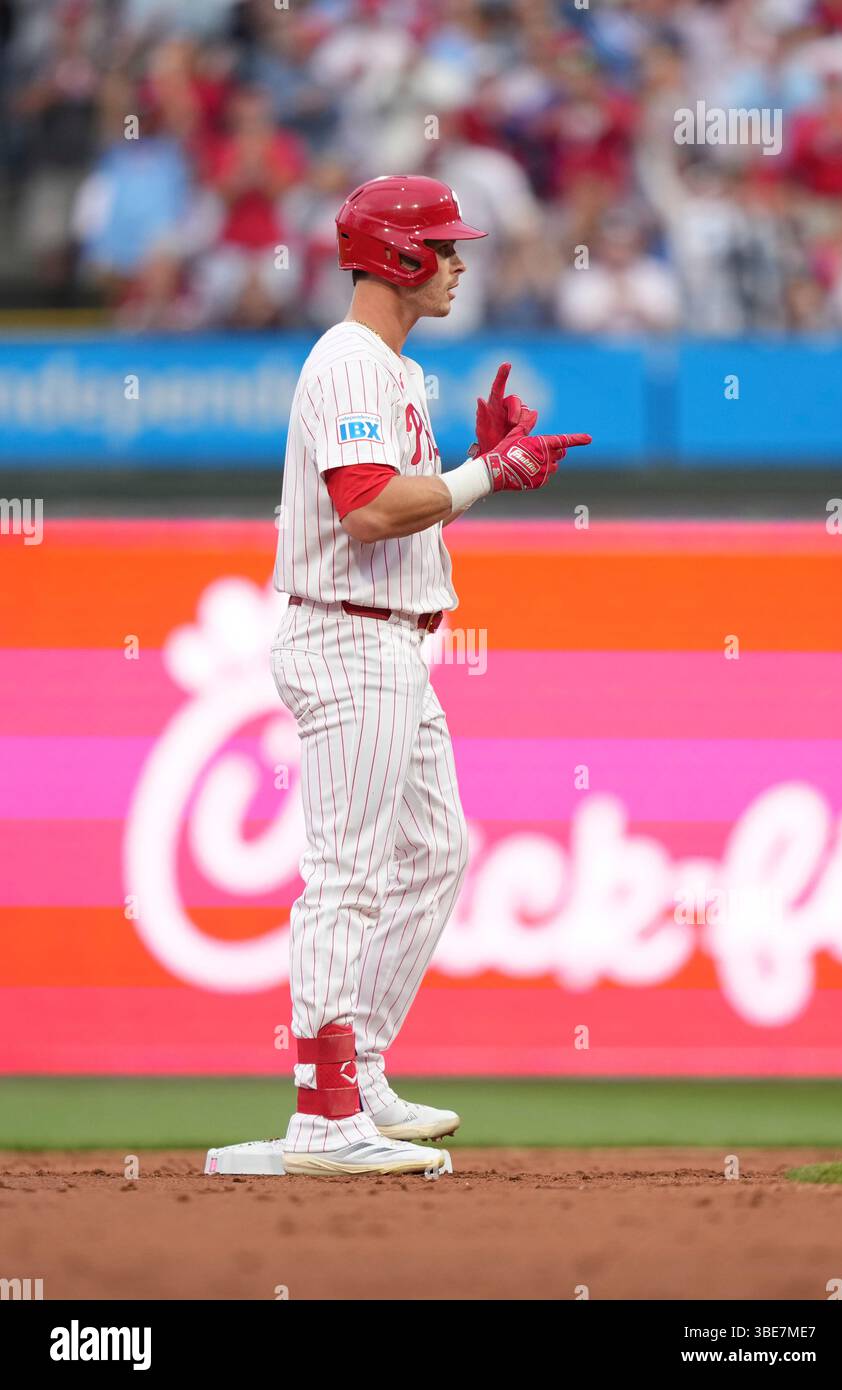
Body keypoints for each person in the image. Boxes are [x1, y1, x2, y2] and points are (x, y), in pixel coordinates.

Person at [205, 174, 591, 1178]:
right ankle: (322, 1115)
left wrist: (474, 457)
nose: (459, 262)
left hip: (390, 639)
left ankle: (360, 1065)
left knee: (432, 853)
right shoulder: (347, 360)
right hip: (347, 636)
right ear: (400, 255)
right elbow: (367, 509)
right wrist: (485, 475)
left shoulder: (391, 370)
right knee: (344, 875)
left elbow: (392, 497)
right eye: (445, 246)